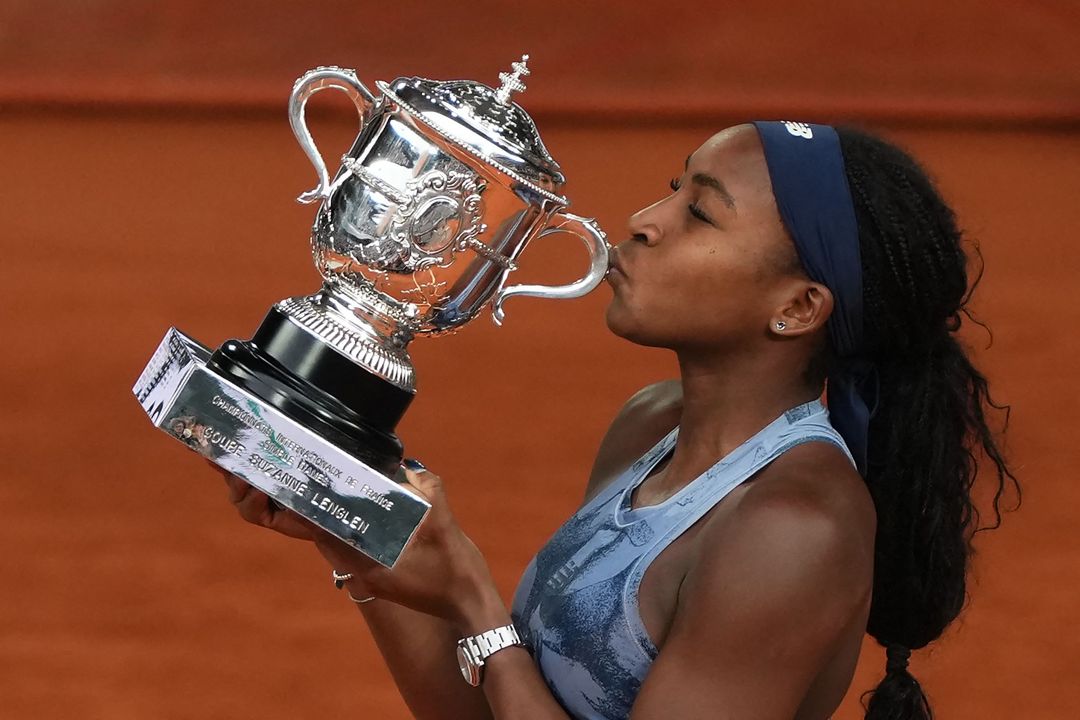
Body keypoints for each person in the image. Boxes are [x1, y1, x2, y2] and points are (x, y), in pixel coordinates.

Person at [216, 121, 1020, 720]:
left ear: (798, 308)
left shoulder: (794, 527)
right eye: (675, 187)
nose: (643, 218)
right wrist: (354, 530)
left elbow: (491, 645)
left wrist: (473, 600)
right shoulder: (651, 426)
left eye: (700, 214)